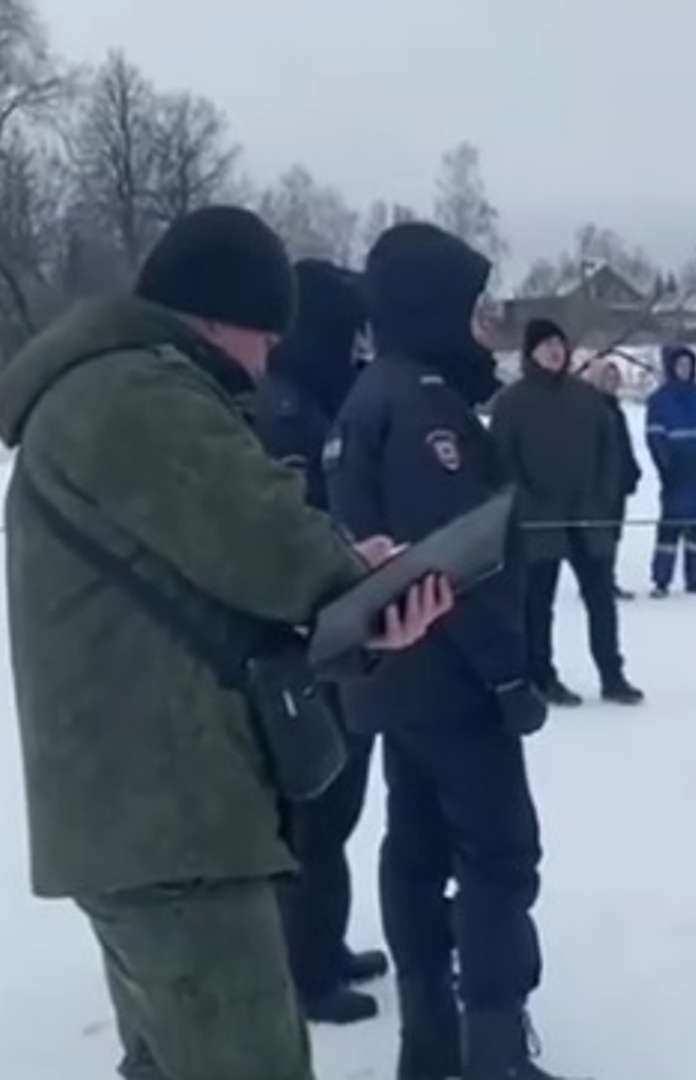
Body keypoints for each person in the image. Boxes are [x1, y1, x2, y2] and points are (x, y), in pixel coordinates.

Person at [0, 205, 452, 1080]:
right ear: (213, 317)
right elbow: (266, 544)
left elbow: (220, 574)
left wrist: (350, 580)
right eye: (264, 336)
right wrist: (357, 582)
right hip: (174, 819)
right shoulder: (137, 393)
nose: (267, 361)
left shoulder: (103, 390)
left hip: (142, 817)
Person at [326, 221, 574, 1080]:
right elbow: (452, 563)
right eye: (473, 309)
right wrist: (509, 674)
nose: (485, 328)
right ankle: (490, 1054)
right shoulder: (421, 405)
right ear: (434, 310)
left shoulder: (372, 394)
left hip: (400, 680)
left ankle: (430, 1048)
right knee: (497, 859)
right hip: (451, 677)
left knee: (416, 848)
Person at [251, 258, 389, 1026]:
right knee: (310, 815)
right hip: (301, 641)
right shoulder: (285, 410)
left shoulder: (329, 396)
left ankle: (323, 946)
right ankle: (301, 971)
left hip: (343, 628)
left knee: (336, 811)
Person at [490, 319, 645, 707]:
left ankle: (612, 674)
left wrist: (604, 497)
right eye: (545, 346)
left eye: (559, 343)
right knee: (537, 605)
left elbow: (610, 451)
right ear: (531, 353)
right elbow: (500, 463)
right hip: (539, 519)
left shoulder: (586, 398)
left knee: (601, 601)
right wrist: (525, 503)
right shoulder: (511, 402)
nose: (555, 351)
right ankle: (542, 676)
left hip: (587, 515)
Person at [645, 344, 696, 596]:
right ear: (671, 368)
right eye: (680, 365)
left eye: (688, 365)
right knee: (670, 528)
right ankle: (661, 580)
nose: (685, 370)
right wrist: (665, 468)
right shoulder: (659, 400)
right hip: (677, 473)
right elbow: (654, 438)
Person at [584, 358, 641, 599]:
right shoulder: (589, 409)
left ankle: (608, 578)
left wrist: (631, 470)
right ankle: (599, 581)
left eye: (615, 377)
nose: (612, 382)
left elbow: (623, 445)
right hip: (598, 484)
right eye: (607, 377)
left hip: (618, 482)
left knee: (614, 533)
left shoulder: (615, 409)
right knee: (601, 535)